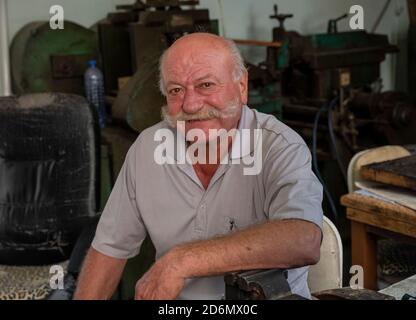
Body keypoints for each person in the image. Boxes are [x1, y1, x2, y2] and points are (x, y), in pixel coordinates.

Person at [74, 32, 323, 300]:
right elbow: (109, 248)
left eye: (205, 85)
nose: (190, 105)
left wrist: (182, 260)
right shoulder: (148, 149)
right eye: (176, 90)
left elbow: (303, 240)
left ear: (242, 87)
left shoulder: (278, 146)